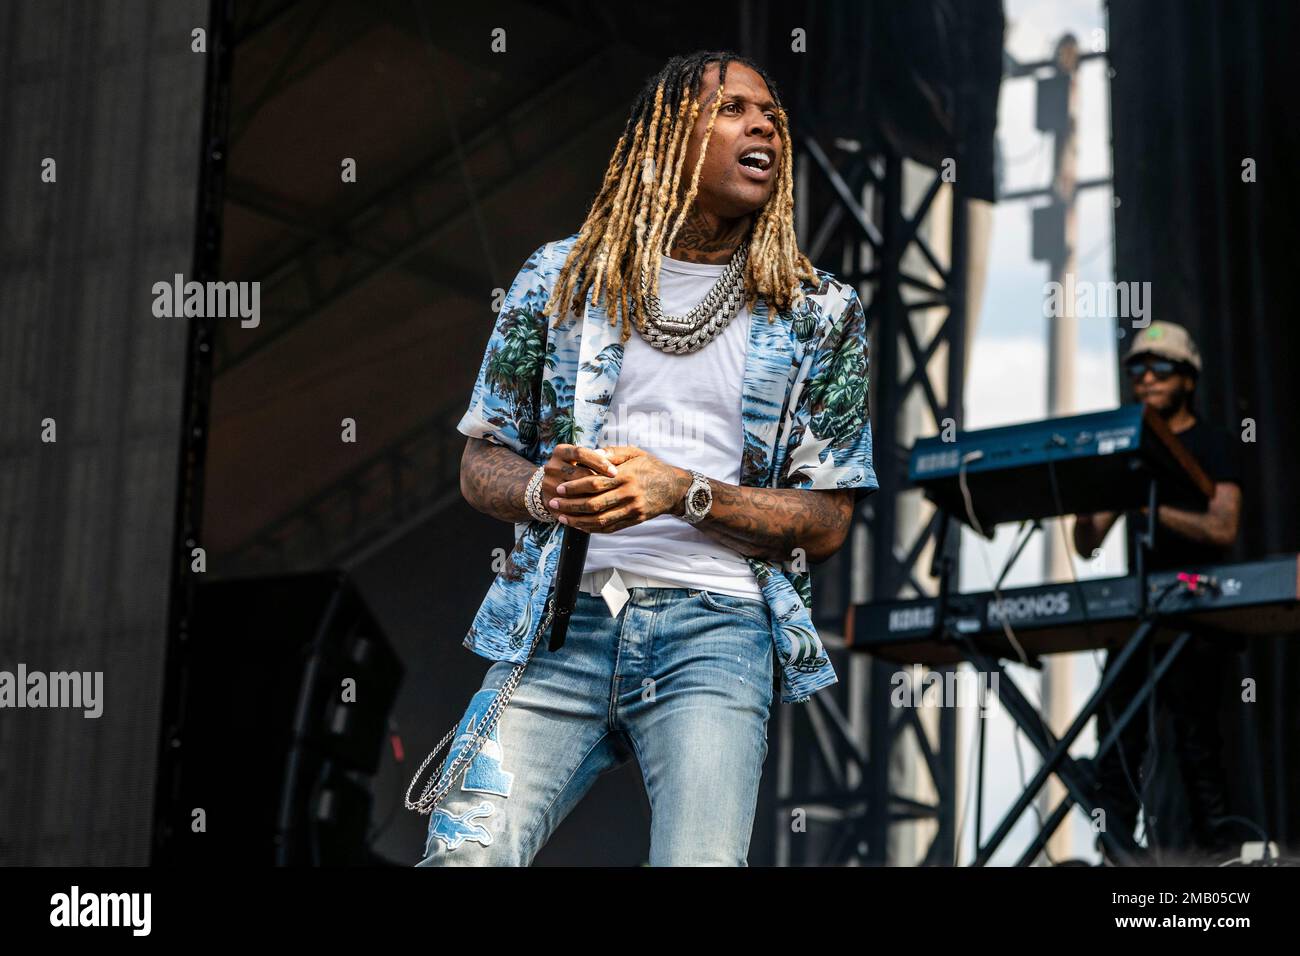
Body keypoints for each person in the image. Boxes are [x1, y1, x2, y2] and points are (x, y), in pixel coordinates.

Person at [412, 51, 878, 866]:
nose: (763, 123)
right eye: (731, 109)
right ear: (666, 139)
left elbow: (828, 519)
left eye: (770, 113)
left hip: (717, 631)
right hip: (561, 626)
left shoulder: (817, 311)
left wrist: (680, 494)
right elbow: (480, 460)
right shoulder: (559, 280)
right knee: (462, 854)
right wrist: (542, 493)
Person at [1072, 321, 1243, 864]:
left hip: (1199, 611)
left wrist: (1147, 507)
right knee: (1117, 737)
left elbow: (1223, 528)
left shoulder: (1213, 443)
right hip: (1138, 613)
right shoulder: (1127, 445)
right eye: (1137, 369)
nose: (1145, 378)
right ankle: (1118, 851)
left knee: (1198, 744)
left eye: (1160, 368)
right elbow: (1086, 542)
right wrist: (1090, 486)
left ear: (1187, 379)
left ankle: (1220, 857)